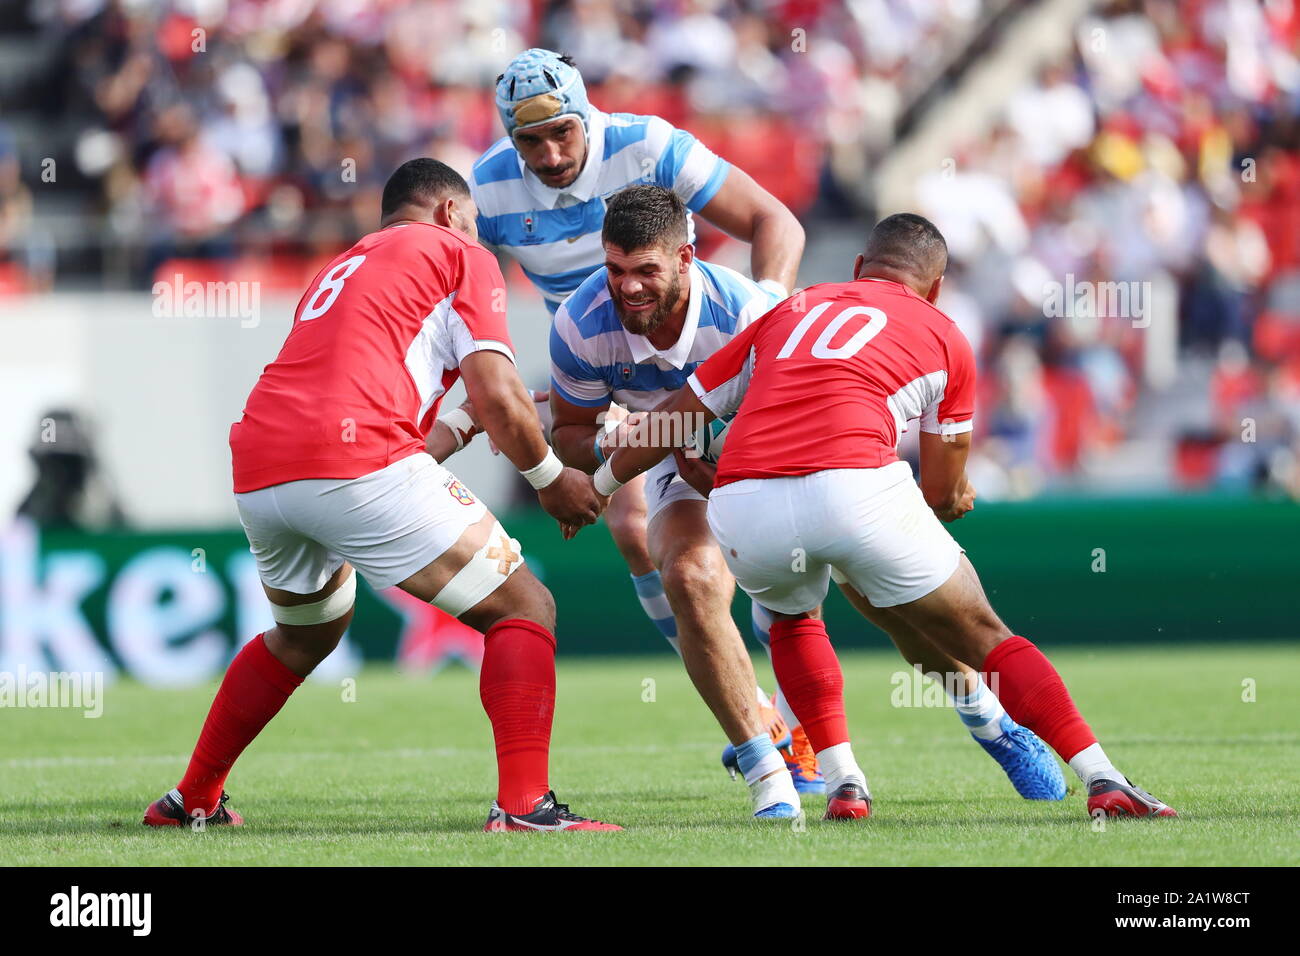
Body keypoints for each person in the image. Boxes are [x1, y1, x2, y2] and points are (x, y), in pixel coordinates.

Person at [591, 213, 1176, 821]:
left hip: (742, 500)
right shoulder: (944, 331)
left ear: (856, 269)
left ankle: (845, 782)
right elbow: (943, 491)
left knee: (792, 620)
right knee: (980, 632)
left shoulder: (792, 308)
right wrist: (952, 497)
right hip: (855, 485)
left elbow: (677, 414)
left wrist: (599, 483)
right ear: (937, 286)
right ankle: (1102, 776)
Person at [143, 159, 619, 833]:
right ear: (451, 213)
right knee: (524, 605)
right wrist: (550, 479)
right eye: (474, 221)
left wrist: (462, 422)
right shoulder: (460, 253)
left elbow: (394, 431)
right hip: (352, 460)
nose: (477, 234)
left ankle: (192, 797)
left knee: (305, 635)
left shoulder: (350, 263)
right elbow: (500, 393)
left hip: (262, 466)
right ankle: (523, 808)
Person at [469, 50, 821, 783]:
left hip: (706, 353)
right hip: (601, 370)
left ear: (588, 115)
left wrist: (764, 329)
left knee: (779, 538)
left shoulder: (649, 145)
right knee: (637, 531)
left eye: (562, 133)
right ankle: (756, 714)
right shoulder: (488, 190)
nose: (550, 154)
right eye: (530, 142)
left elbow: (773, 220)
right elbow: (459, 299)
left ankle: (839, 712)